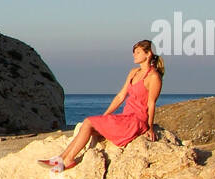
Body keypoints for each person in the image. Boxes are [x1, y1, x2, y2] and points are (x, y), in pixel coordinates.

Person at [40, 39, 164, 172]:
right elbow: (120, 96)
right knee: (88, 127)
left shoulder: (153, 77)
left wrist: (150, 127)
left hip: (136, 121)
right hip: (125, 117)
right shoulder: (133, 72)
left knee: (88, 122)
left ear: (148, 54)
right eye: (134, 52)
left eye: (138, 52)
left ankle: (68, 160)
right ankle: (61, 158)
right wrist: (106, 115)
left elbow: (151, 103)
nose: (134, 55)